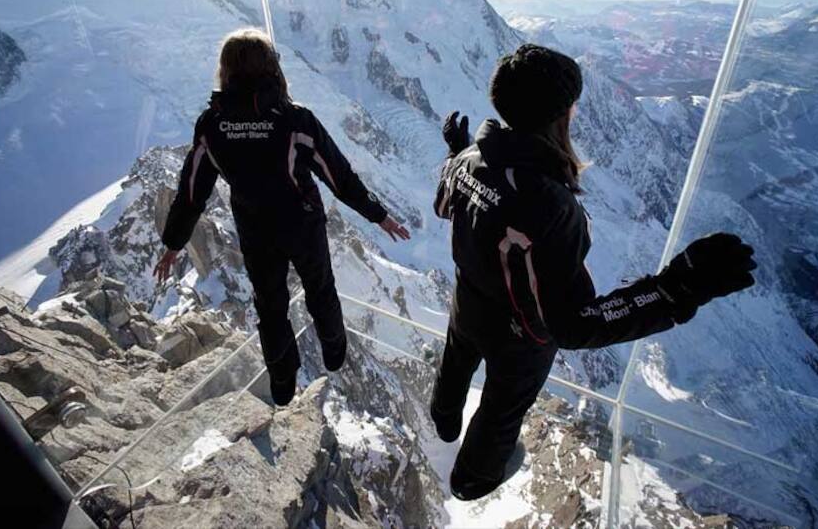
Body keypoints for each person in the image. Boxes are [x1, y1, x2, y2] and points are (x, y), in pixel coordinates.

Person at [431, 44, 757, 500]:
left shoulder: (467, 162)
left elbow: (446, 205)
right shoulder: (551, 203)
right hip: (521, 339)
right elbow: (575, 323)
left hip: (467, 304)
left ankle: (444, 418)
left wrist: (457, 152)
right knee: (500, 409)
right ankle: (473, 480)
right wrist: (675, 289)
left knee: (456, 361)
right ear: (562, 114)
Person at [154, 29, 411, 406]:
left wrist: (174, 243)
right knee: (320, 288)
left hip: (256, 230)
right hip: (302, 223)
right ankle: (334, 351)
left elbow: (193, 191)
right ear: (271, 68)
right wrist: (378, 215)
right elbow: (338, 175)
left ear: (225, 72)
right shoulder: (295, 121)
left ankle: (282, 382)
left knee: (270, 306)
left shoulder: (212, 126)